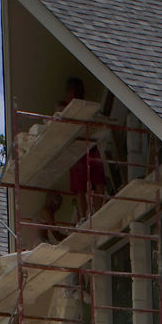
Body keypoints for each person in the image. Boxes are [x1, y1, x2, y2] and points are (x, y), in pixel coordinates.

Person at [60, 76, 106, 220]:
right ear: (69, 91)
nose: (77, 94)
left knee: (98, 179)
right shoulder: (63, 107)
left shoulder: (87, 107)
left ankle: (98, 212)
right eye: (75, 91)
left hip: (89, 145)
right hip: (75, 148)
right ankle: (82, 217)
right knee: (79, 184)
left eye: (80, 92)